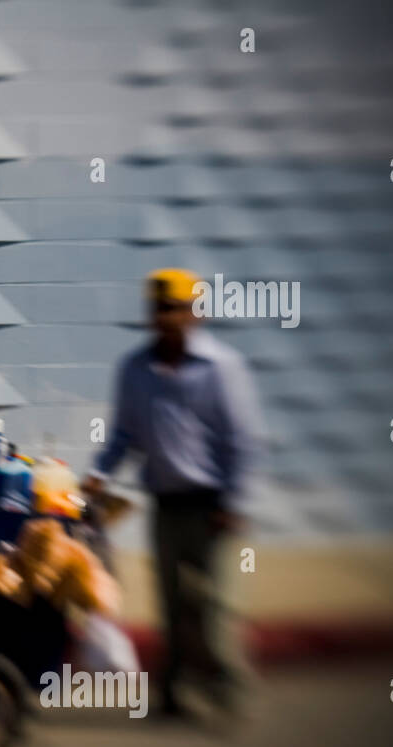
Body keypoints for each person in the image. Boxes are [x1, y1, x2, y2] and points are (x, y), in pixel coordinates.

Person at [82, 268, 263, 717]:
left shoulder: (221, 368)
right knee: (169, 602)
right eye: (159, 309)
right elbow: (123, 435)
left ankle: (227, 686)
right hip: (165, 504)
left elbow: (240, 440)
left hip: (210, 505)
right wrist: (99, 474)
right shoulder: (135, 370)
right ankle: (173, 692)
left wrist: (234, 501)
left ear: (195, 313)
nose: (166, 317)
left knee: (214, 604)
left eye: (175, 308)